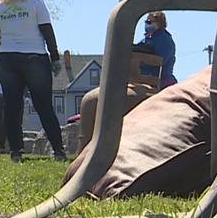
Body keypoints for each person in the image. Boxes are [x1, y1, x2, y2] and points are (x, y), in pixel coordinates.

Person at [0, 0, 66, 162]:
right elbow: (47, 30)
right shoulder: (35, 1)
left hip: (8, 58)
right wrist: (55, 57)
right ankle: (58, 149)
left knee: (12, 107)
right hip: (34, 57)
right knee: (44, 106)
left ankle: (16, 151)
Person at [76, 10, 178, 153]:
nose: (146, 25)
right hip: (137, 80)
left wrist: (139, 59)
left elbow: (161, 59)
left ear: (159, 23)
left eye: (150, 22)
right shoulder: (146, 39)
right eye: (146, 22)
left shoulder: (165, 39)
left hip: (162, 80)